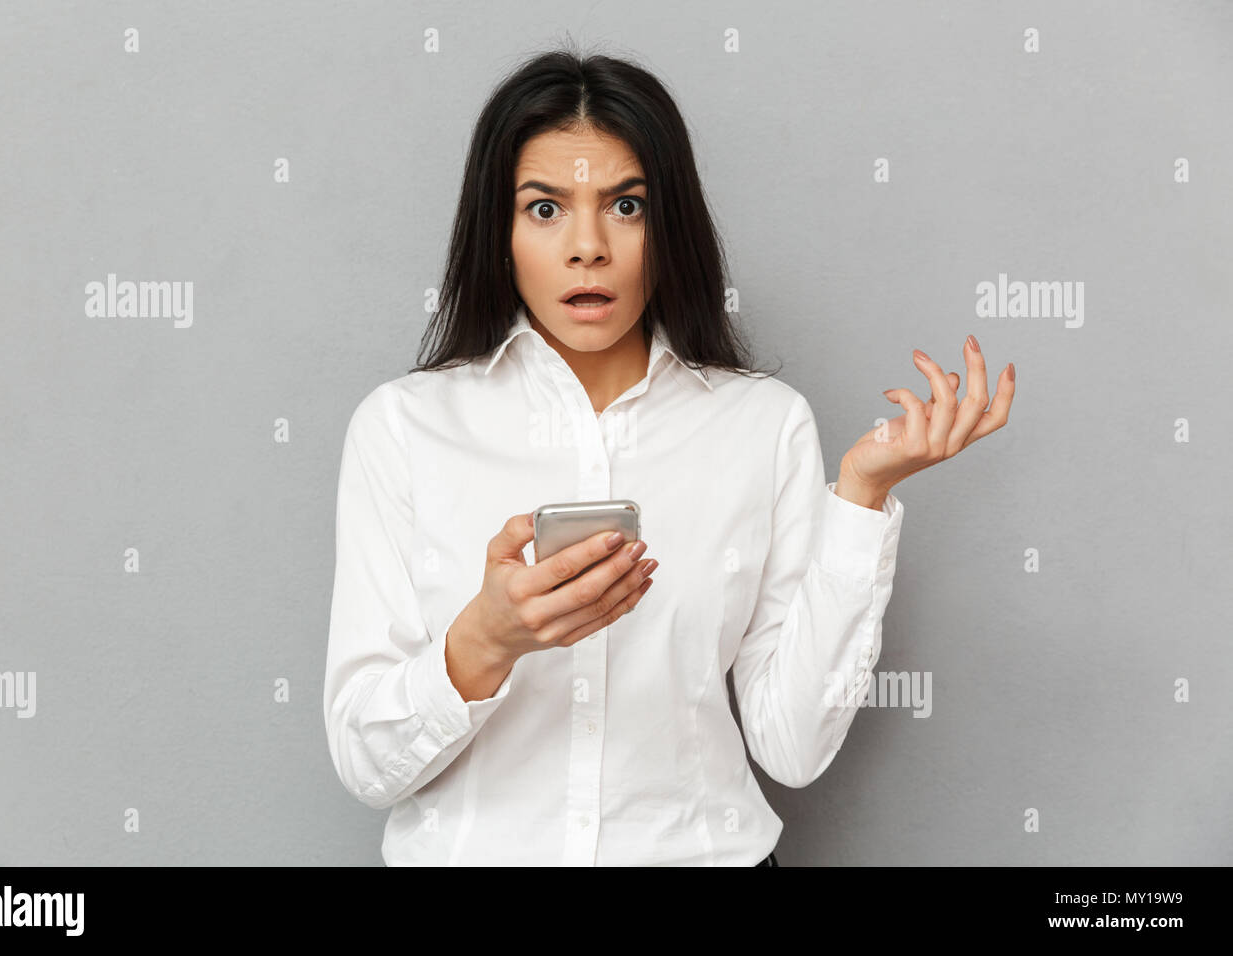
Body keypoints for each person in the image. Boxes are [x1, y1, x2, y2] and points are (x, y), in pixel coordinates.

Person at [322, 44, 1015, 866]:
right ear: (499, 231)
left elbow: (791, 749)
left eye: (626, 206)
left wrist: (860, 497)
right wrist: (486, 639)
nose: (588, 247)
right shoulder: (404, 428)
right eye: (545, 209)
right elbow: (366, 765)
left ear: (668, 222)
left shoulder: (764, 424)